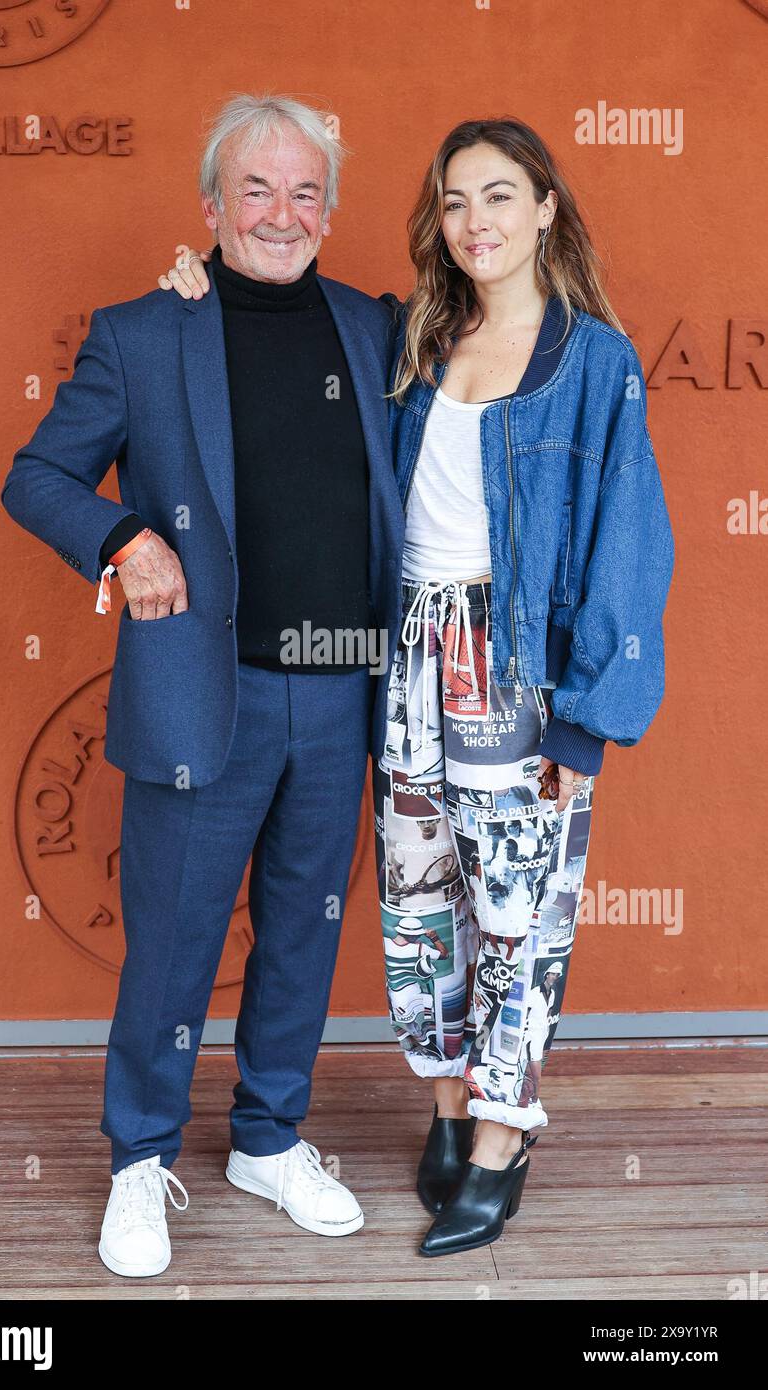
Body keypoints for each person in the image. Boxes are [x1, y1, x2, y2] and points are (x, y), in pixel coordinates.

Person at [160, 116, 674, 1259]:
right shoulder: (414, 339)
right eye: (453, 201)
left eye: (499, 196)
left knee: (518, 918)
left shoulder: (592, 360)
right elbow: (283, 329)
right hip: (406, 662)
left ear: (546, 207)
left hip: (514, 671)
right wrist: (198, 289)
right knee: (420, 910)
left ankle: (500, 1138)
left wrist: (586, 721)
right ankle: (446, 1108)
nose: (475, 221)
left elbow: (629, 543)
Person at [0, 93, 404, 1278]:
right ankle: (140, 1160)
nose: (282, 212)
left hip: (339, 689)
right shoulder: (143, 331)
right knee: (173, 939)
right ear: (212, 205)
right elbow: (37, 478)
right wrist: (125, 538)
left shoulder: (372, 326)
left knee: (303, 932)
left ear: (329, 207)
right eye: (257, 189)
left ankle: (271, 1138)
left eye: (305, 190)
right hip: (201, 688)